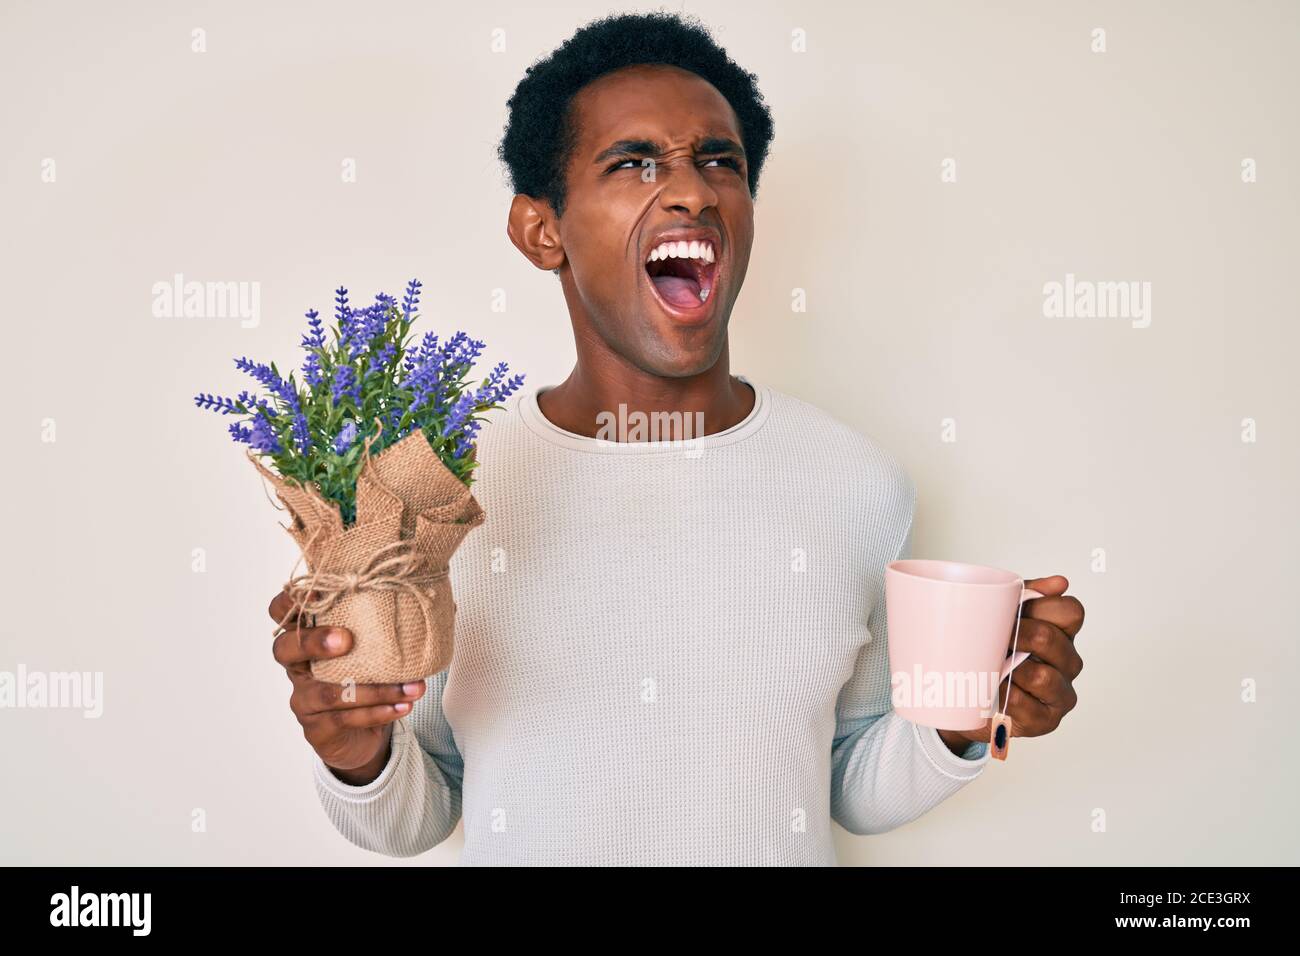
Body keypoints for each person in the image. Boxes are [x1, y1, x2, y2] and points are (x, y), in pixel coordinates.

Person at [269, 10, 1085, 865]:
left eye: (718, 162)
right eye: (633, 163)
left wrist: (961, 720)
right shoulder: (444, 491)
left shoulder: (856, 482)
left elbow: (846, 782)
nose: (692, 189)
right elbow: (418, 813)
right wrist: (353, 751)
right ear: (540, 230)